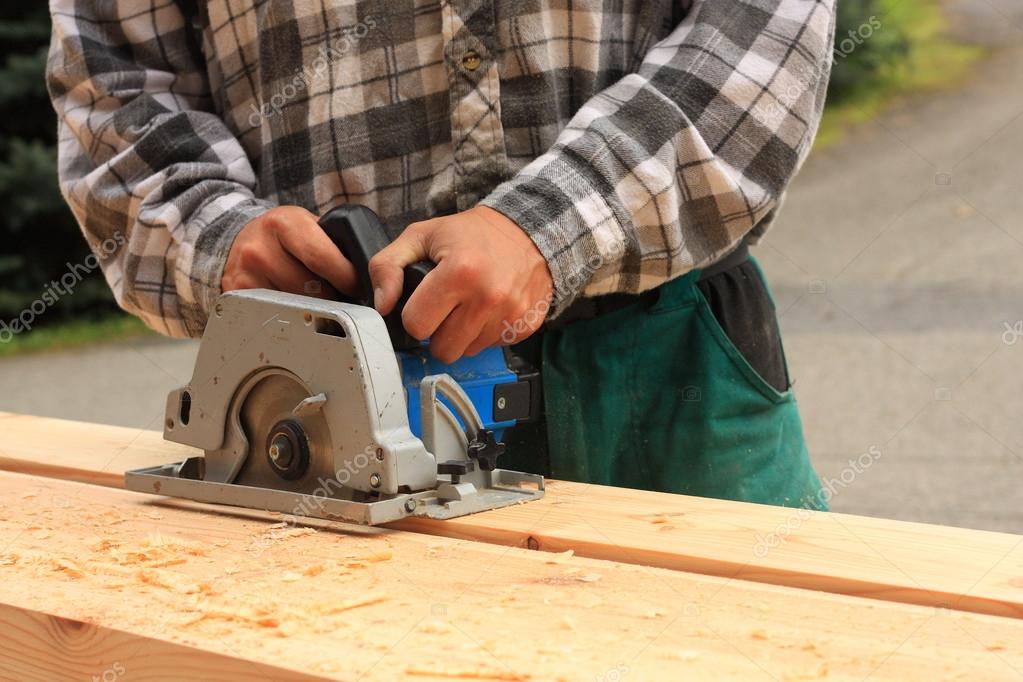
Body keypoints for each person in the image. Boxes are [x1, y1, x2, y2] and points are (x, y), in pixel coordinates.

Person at [47, 0, 836, 509]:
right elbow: (112, 79)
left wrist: (547, 225)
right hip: (323, 388)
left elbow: (767, 24)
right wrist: (216, 238)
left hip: (666, 355)